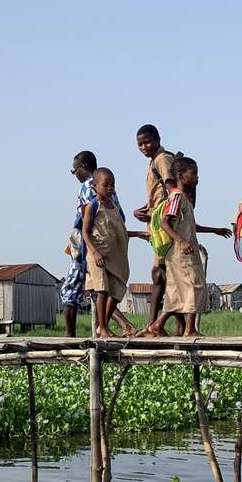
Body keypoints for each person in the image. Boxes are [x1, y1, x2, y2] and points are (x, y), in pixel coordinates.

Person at [142, 157, 231, 337]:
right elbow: (165, 222)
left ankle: (157, 325)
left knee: (177, 290)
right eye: (194, 173)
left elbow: (190, 225)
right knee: (194, 286)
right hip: (181, 252)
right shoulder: (177, 197)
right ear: (181, 176)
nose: (197, 177)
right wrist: (182, 241)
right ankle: (190, 330)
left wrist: (215, 230)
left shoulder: (184, 199)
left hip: (182, 251)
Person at [61, 151, 140, 337]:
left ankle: (71, 337)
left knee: (73, 290)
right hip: (109, 244)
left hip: (91, 246)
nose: (75, 175)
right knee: (102, 289)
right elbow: (120, 218)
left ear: (82, 167)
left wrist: (90, 249)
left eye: (74, 171)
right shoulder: (110, 191)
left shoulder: (89, 187)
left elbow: (87, 224)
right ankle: (115, 326)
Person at [82, 168, 143, 337]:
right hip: (98, 254)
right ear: (95, 186)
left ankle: (104, 325)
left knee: (117, 290)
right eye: (106, 185)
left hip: (114, 255)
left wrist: (138, 234)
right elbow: (85, 233)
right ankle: (102, 327)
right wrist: (95, 253)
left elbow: (119, 231)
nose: (110, 188)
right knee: (102, 290)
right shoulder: (92, 206)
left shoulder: (114, 206)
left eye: (113, 185)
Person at [131, 124, 180, 329]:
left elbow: (172, 192)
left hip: (165, 225)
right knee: (165, 273)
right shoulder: (154, 161)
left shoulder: (162, 159)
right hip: (159, 224)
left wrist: (160, 215)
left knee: (161, 273)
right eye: (140, 144)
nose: (144, 147)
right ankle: (159, 325)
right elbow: (157, 197)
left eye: (147, 142)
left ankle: (153, 325)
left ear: (158, 140)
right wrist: (142, 210)